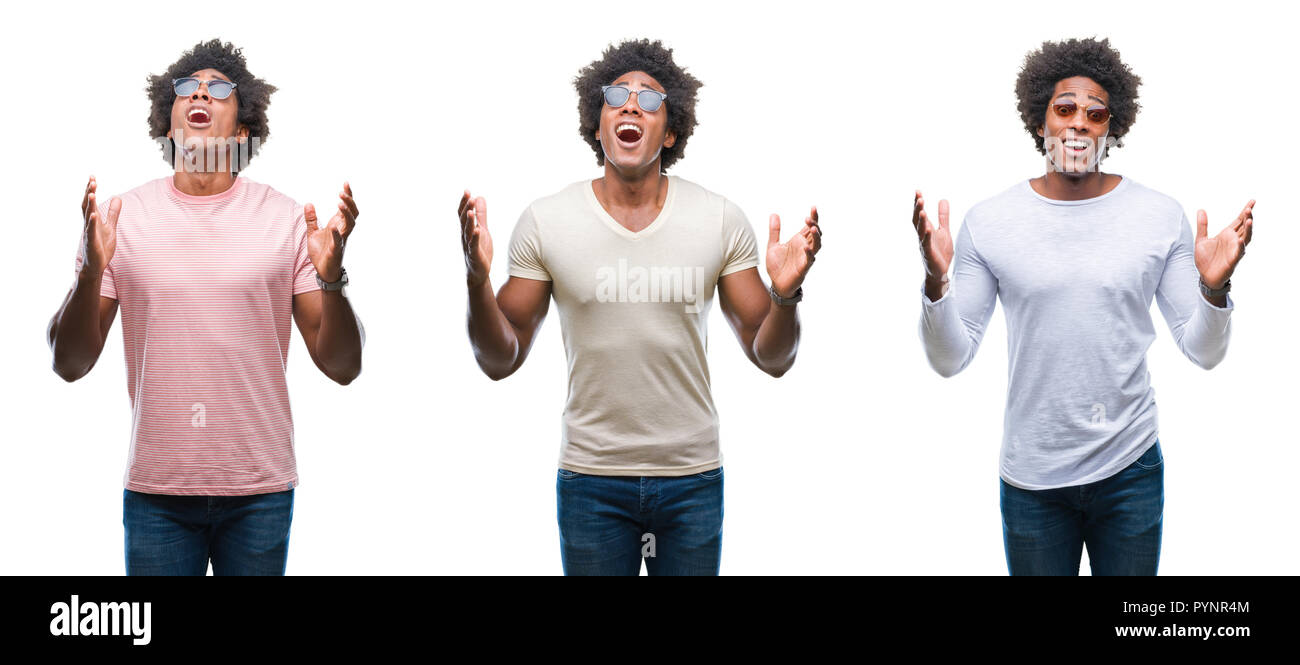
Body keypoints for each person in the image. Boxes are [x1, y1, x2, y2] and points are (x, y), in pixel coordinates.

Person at [458, 39, 822, 575]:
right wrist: (476, 279)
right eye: (616, 96)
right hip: (591, 480)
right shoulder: (547, 221)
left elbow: (772, 357)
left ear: (670, 131)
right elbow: (499, 359)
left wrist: (785, 295)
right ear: (597, 123)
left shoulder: (718, 219)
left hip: (692, 480)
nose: (631, 105)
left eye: (650, 99)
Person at [911, 37, 1254, 575]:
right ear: (1039, 120)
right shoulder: (991, 222)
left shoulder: (1158, 216)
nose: (1078, 124)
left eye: (1096, 114)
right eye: (1064, 108)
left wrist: (1213, 288)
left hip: (1131, 471)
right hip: (1033, 481)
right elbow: (950, 359)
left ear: (1111, 129)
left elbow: (1204, 352)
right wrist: (936, 282)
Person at [47, 39, 365, 575]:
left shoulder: (287, 219)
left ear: (241, 132)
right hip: (157, 493)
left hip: (259, 490)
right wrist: (91, 272)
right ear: (169, 126)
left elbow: (343, 367)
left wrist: (332, 280)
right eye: (187, 88)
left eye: (220, 89)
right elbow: (68, 363)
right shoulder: (119, 220)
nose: (200, 92)